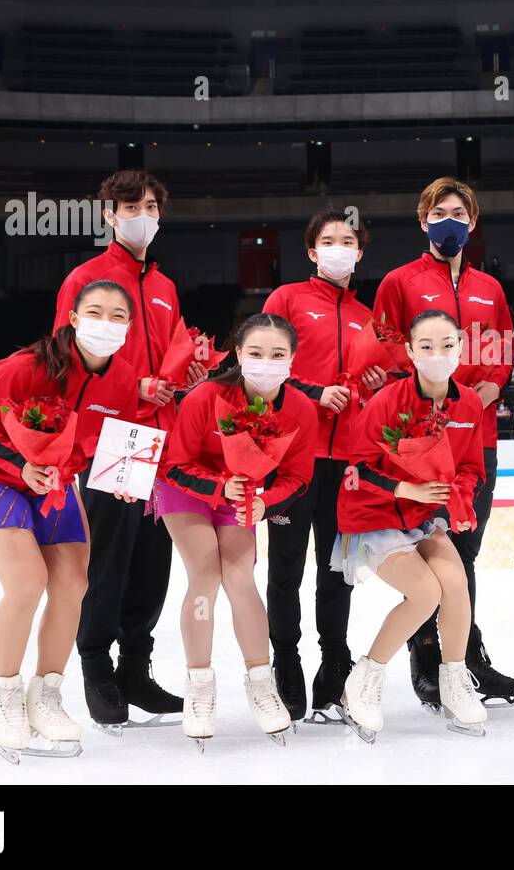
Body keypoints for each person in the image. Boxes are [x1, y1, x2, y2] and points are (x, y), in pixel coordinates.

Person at [0, 279, 142, 762]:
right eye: (95, 312)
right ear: (74, 320)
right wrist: (19, 466)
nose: (107, 323)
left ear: (129, 327)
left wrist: (119, 476)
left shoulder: (123, 380)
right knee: (26, 582)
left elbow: (107, 441)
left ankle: (47, 695)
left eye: (118, 316)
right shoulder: (28, 365)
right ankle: (6, 696)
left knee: (73, 582)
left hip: (57, 482)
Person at [55, 169, 207, 730]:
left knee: (151, 561)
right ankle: (96, 664)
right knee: (108, 560)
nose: (141, 214)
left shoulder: (165, 288)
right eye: (129, 206)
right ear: (108, 215)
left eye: (150, 206)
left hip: (161, 439)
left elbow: (170, 357)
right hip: (112, 436)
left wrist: (188, 371)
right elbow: (64, 359)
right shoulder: (87, 280)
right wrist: (131, 387)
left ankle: (135, 668)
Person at [372, 176, 514, 707]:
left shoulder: (490, 289)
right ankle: (425, 656)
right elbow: (386, 348)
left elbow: (503, 350)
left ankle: (467, 656)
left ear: (473, 222)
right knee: (426, 547)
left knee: (466, 548)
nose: (448, 220)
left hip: (476, 439)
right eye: (439, 212)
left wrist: (494, 386)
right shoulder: (398, 282)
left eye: (458, 212)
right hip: (418, 441)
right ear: (422, 220)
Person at [159, 313, 318, 748]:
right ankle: (199, 685)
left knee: (241, 577)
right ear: (239, 354)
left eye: (278, 354)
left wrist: (265, 501)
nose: (266, 361)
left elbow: (299, 477)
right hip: (187, 490)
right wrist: (216, 484)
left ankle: (261, 682)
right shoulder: (206, 396)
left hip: (243, 496)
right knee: (206, 575)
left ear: (292, 359)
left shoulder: (301, 409)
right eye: (256, 353)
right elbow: (173, 464)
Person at [332, 310, 488, 742]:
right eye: (426, 347)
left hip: (425, 517)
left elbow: (473, 467)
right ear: (409, 351)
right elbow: (357, 467)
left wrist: (458, 492)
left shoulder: (469, 403)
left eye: (447, 345)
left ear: (461, 348)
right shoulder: (388, 400)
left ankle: (455, 681)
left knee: (455, 582)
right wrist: (405, 489)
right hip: (374, 514)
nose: (437, 354)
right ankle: (363, 680)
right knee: (425, 592)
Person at [260, 208, 386, 724]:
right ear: (312, 252)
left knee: (338, 569)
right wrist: (314, 392)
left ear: (360, 252)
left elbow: (382, 382)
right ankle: (285, 662)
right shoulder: (286, 299)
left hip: (346, 461)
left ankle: (334, 663)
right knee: (286, 568)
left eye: (348, 240)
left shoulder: (369, 314)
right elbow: (263, 367)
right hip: (294, 455)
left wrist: (378, 385)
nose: (339, 247)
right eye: (328, 240)